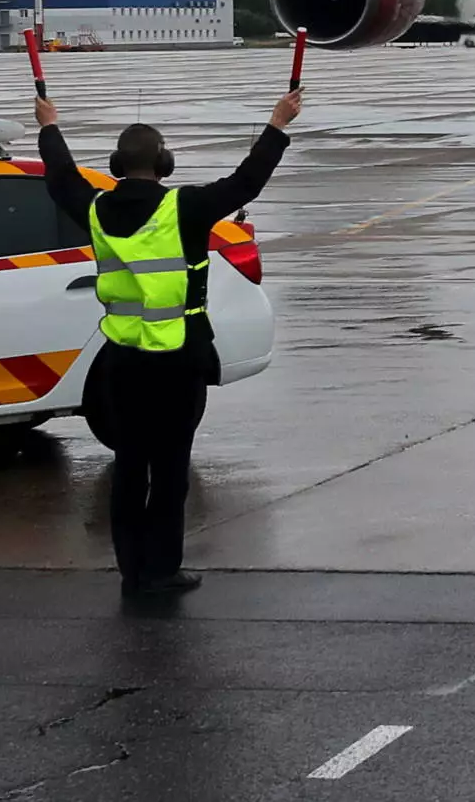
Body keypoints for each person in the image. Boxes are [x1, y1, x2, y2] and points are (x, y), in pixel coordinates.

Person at [36, 88, 303, 598]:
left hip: (120, 358)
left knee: (130, 466)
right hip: (178, 359)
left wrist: (49, 126)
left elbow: (61, 180)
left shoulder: (95, 210)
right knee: (171, 466)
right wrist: (276, 123)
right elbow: (247, 182)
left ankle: (132, 570)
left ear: (116, 165)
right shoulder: (186, 206)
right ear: (165, 163)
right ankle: (162, 569)